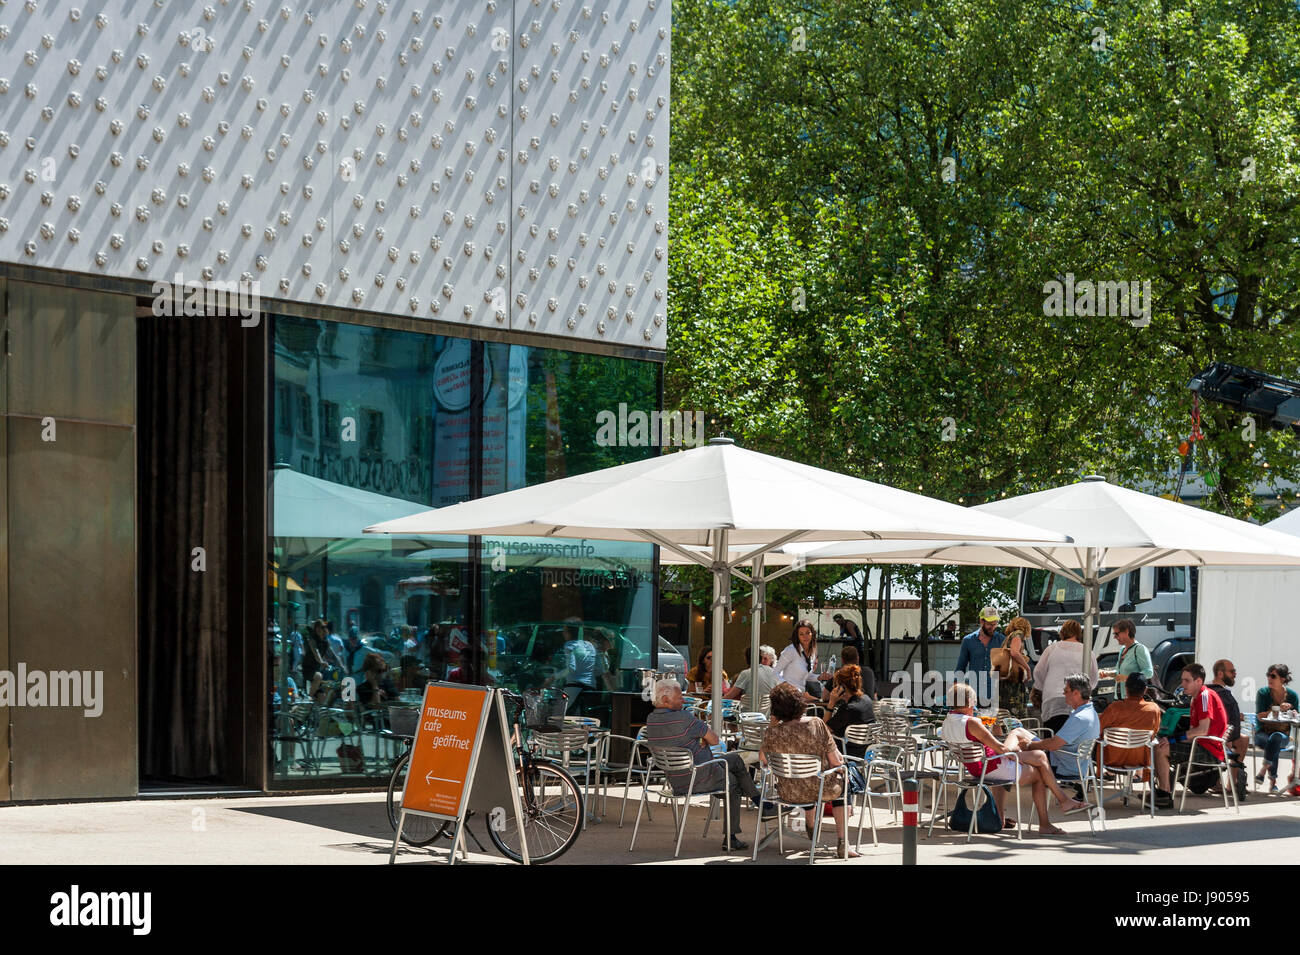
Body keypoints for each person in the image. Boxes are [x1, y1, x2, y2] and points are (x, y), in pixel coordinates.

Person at [940, 683, 1087, 834]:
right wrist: (1012, 752)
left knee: (1023, 741)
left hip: (979, 768)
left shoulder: (947, 722)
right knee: (1039, 767)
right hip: (993, 766)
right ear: (971, 702)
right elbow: (1001, 749)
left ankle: (1000, 818)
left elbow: (982, 744)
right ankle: (1048, 820)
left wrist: (1009, 749)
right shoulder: (972, 722)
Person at [644, 678, 762, 850]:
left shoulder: (651, 719)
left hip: (677, 779)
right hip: (700, 776)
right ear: (665, 700)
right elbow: (714, 740)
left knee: (735, 760)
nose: (683, 700)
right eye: (679, 697)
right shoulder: (684, 717)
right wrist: (701, 738)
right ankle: (732, 836)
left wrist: (699, 738)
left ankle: (760, 802)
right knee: (734, 783)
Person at [760, 681, 858, 859]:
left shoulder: (771, 733)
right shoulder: (816, 724)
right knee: (843, 775)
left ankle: (811, 824)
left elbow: (763, 759)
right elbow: (836, 761)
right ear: (799, 703)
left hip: (787, 791)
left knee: (809, 779)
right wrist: (841, 765)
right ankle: (843, 843)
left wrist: (772, 724)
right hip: (819, 789)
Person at [1022, 675, 1100, 798]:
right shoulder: (1090, 712)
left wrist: (1029, 745)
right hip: (1075, 762)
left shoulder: (1080, 718)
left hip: (1064, 765)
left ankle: (1004, 757)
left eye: (1066, 690)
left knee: (1022, 757)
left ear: (1076, 693)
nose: (1063, 693)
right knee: (1019, 732)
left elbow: (1054, 745)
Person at [1033, 620, 1099, 732]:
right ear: (1079, 633)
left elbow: (1039, 671)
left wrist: (1042, 687)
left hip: (1052, 699)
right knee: (1074, 738)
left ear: (1062, 632)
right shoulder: (1087, 651)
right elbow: (1093, 677)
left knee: (1052, 734)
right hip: (1076, 699)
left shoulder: (1052, 648)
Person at [1098, 673, 1162, 772]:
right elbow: (1154, 732)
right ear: (1145, 690)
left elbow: (1098, 729)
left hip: (1111, 760)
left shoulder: (1115, 708)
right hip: (1141, 761)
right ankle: (1138, 774)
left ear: (1126, 689)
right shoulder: (1153, 709)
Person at [1254, 663, 1298, 793]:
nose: (1269, 679)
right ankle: (1273, 781)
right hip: (1263, 733)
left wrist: (1292, 711)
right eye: (1268, 675)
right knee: (1274, 743)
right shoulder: (1263, 693)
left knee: (1276, 738)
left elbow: (1297, 717)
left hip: (1283, 734)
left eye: (1273, 676)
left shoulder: (1292, 696)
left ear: (1283, 679)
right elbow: (1259, 716)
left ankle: (1263, 772)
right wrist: (1278, 709)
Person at [955, 607, 1006, 702]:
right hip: (974, 694)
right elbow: (960, 667)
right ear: (981, 621)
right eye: (990, 624)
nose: (993, 627)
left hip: (996, 694)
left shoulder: (1002, 640)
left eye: (995, 624)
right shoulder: (968, 640)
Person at [824, 664, 874, 759]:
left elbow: (825, 729)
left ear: (842, 687)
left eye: (836, 685)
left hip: (846, 753)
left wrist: (831, 703)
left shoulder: (849, 708)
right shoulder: (867, 700)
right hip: (865, 752)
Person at [775, 619, 829, 701]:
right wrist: (790, 688)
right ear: (797, 636)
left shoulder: (812, 653)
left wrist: (819, 677)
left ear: (812, 634)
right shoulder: (791, 650)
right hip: (787, 696)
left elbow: (806, 676)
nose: (805, 637)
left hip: (801, 697)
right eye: (801, 634)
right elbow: (774, 673)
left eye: (808, 633)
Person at [555, 617, 597, 713]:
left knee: (559, 714)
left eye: (564, 631)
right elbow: (596, 668)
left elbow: (571, 668)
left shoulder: (570, 645)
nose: (563, 633)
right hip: (590, 686)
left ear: (570, 632)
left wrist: (555, 676)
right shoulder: (590, 645)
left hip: (574, 687)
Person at [1102, 619, 1153, 697]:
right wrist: (1108, 674)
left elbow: (1149, 672)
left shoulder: (1140, 649)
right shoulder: (1122, 649)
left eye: (1116, 633)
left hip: (1133, 699)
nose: (1114, 637)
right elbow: (1120, 673)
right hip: (1119, 697)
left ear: (1126, 631)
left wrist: (1127, 678)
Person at [996, 616, 1033, 717]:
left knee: (1005, 715)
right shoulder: (1018, 634)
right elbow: (1014, 653)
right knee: (1016, 716)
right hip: (1013, 684)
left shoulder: (1009, 637)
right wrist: (1027, 668)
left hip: (1004, 683)